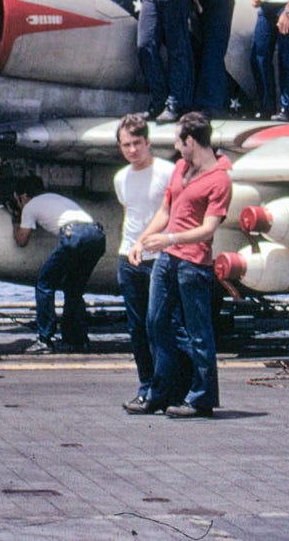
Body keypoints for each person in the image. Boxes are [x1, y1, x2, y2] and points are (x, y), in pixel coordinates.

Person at [129, 113, 232, 418]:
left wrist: (169, 239)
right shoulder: (180, 168)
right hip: (168, 260)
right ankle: (160, 393)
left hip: (194, 264)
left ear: (190, 141)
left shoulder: (220, 179)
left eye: (177, 140)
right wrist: (142, 240)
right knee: (156, 322)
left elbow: (208, 229)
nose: (175, 145)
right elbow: (165, 210)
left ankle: (202, 398)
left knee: (199, 333)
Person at [113, 115, 175, 411]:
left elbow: (172, 214)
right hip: (129, 258)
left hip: (159, 258)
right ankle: (147, 387)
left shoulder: (167, 172)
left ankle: (167, 389)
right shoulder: (121, 178)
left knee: (160, 326)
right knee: (137, 329)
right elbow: (130, 213)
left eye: (138, 143)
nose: (133, 150)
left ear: (148, 142)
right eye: (126, 145)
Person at [9, 176, 107, 354]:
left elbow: (21, 240)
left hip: (74, 236)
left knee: (45, 285)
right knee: (74, 289)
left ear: (22, 197)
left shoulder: (30, 206)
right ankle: (77, 339)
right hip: (97, 236)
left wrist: (16, 219)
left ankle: (44, 339)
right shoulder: (55, 198)